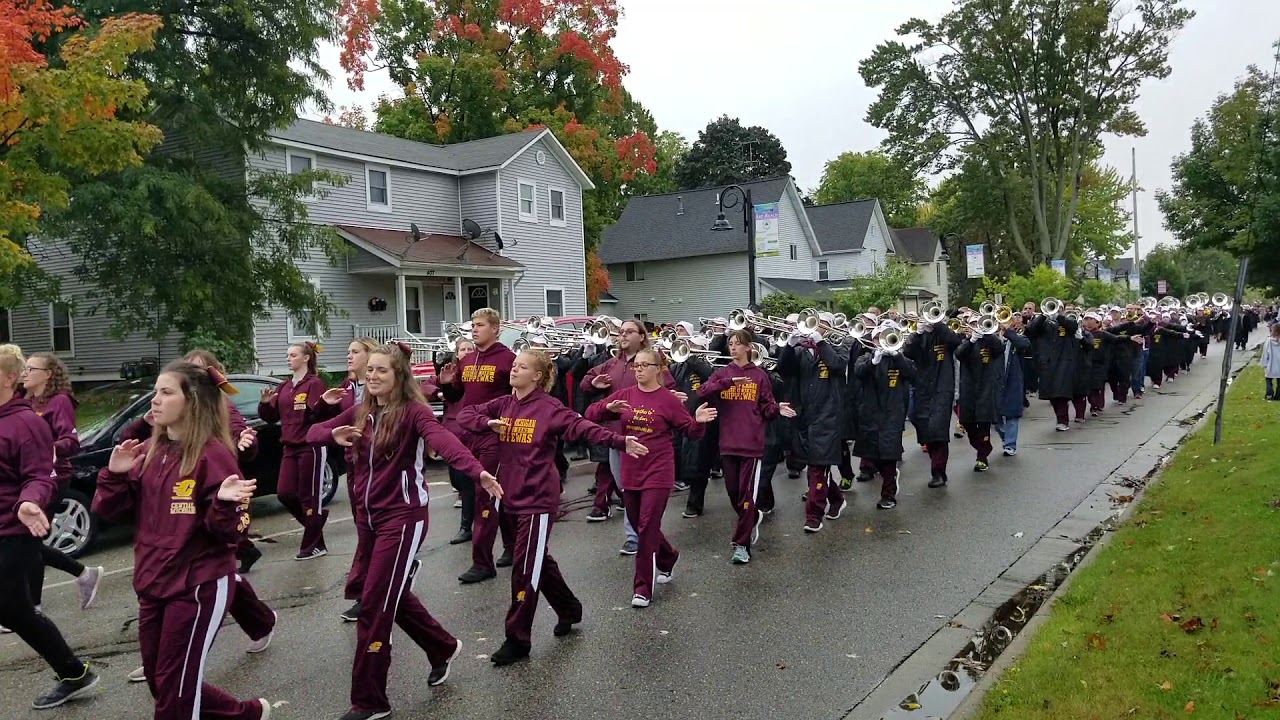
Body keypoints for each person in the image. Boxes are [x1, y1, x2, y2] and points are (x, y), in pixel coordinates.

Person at [308, 343, 498, 720]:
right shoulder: (362, 411)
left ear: (399, 376)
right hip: (370, 519)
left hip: (404, 518)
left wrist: (478, 471)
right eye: (370, 370)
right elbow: (312, 432)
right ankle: (441, 646)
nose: (373, 376)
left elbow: (446, 441)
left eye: (382, 370)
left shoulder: (414, 413)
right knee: (383, 591)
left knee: (374, 607)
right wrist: (335, 436)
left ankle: (370, 701)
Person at [93, 362, 270, 720]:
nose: (154, 401)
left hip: (197, 585)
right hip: (153, 582)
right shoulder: (148, 451)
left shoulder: (214, 455)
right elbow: (112, 512)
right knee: (162, 683)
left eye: (165, 392)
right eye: (156, 392)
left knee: (175, 697)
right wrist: (115, 475)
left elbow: (232, 534)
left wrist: (224, 503)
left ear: (191, 401)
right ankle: (246, 714)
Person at [459, 350, 646, 663]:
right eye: (514, 365)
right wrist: (486, 422)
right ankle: (569, 608)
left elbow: (585, 428)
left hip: (538, 498)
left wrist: (620, 442)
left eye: (522, 367)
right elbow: (466, 416)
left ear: (537, 376)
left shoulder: (550, 408)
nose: (514, 369)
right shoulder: (504, 404)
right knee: (536, 562)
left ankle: (517, 639)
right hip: (510, 494)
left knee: (524, 569)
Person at [0, 351, 101, 709]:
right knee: (13, 610)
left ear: (9, 378)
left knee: (13, 609)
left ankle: (73, 672)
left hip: (16, 526)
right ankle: (74, 672)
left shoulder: (26, 423)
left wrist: (29, 502)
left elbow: (41, 475)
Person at [588, 348, 714, 601]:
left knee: (647, 526)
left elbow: (689, 430)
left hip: (658, 469)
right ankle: (668, 555)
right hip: (631, 469)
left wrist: (699, 421)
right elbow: (589, 415)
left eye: (646, 365)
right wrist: (606, 408)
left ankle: (642, 588)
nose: (640, 369)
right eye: (637, 366)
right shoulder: (625, 395)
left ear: (658, 369)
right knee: (637, 523)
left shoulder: (667, 399)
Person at [580, 318, 680, 555]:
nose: (622, 335)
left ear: (641, 337)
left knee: (647, 492)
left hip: (648, 436)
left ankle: (641, 536)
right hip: (617, 436)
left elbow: (669, 387)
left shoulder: (653, 362)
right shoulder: (610, 365)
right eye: (621, 332)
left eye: (628, 332)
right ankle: (636, 535)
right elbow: (584, 383)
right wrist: (593, 383)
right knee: (627, 488)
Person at [695, 331, 794, 563]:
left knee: (747, 496)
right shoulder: (722, 373)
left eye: (738, 344)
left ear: (749, 347)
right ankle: (750, 519)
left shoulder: (759, 376)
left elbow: (767, 408)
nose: (733, 348)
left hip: (751, 445)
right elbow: (702, 392)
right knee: (734, 495)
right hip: (727, 444)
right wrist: (726, 383)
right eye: (730, 344)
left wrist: (777, 409)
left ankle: (741, 545)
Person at [19, 352, 104, 612]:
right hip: (32, 478)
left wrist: (41, 447)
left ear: (48, 374)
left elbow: (70, 442)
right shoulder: (27, 401)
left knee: (28, 540)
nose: (25, 373)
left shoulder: (59, 401)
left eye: (31, 369)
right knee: (27, 541)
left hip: (55, 478)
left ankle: (32, 605)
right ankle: (84, 574)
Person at [445, 308, 518, 584]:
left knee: (484, 496)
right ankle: (511, 547)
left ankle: (482, 562)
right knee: (497, 493)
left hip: (495, 436)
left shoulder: (508, 359)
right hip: (470, 433)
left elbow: (516, 396)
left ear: (495, 328)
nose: (474, 330)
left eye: (480, 325)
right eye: (472, 325)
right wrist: (446, 385)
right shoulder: (467, 360)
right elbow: (458, 395)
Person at [319, 337, 380, 623]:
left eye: (355, 351)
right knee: (363, 528)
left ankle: (365, 593)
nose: (349, 356)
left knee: (372, 531)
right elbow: (323, 427)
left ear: (370, 356)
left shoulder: (382, 388)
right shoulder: (346, 388)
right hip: (353, 462)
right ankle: (377, 586)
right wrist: (324, 405)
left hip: (378, 467)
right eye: (347, 352)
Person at [257, 341, 330, 559]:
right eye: (287, 355)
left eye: (293, 355)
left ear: (306, 358)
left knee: (309, 497)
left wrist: (320, 406)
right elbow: (270, 417)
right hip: (289, 446)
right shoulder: (285, 387)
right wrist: (264, 403)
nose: (288, 359)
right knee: (285, 493)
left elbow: (322, 415)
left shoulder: (314, 384)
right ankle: (316, 524)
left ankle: (312, 545)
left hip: (310, 446)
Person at [777, 314, 849, 531]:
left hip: (828, 416)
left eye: (818, 325)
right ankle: (836, 499)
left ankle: (814, 515)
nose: (812, 329)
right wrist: (789, 346)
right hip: (805, 415)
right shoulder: (800, 351)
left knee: (818, 467)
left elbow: (838, 366)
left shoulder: (839, 346)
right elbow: (784, 369)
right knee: (816, 465)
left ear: (827, 327)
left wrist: (820, 342)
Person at [852, 338, 916, 510]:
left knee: (888, 455)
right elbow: (858, 372)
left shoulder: (902, 360)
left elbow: (912, 374)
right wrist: (873, 362)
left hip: (892, 414)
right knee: (872, 454)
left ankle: (888, 495)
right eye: (878, 337)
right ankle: (891, 476)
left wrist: (897, 356)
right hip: (870, 414)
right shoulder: (865, 358)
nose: (882, 341)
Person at [428, 337, 478, 548]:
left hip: (473, 429)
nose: (465, 352)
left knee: (467, 479)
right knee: (457, 478)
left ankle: (467, 527)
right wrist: (439, 391)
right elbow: (426, 386)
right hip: (452, 431)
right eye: (462, 349)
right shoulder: (450, 371)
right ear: (456, 353)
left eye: (469, 348)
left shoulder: (478, 370)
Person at [904, 318, 963, 488]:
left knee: (938, 430)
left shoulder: (945, 335)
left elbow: (955, 342)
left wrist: (938, 325)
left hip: (942, 388)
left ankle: (938, 472)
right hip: (922, 388)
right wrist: (918, 332)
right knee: (921, 422)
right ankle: (935, 462)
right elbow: (907, 352)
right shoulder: (920, 337)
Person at [955, 328, 1005, 471]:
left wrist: (988, 334)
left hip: (986, 387)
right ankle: (984, 447)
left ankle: (982, 458)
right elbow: (959, 354)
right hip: (968, 388)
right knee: (967, 422)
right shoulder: (966, 342)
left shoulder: (990, 342)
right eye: (973, 324)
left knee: (984, 423)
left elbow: (1000, 348)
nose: (977, 327)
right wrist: (971, 341)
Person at [1025, 311, 1081, 431]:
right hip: (1046, 362)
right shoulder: (1042, 324)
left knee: (1061, 393)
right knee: (1052, 394)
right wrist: (1043, 316)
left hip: (1064, 362)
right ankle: (1060, 418)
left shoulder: (1065, 322)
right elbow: (1030, 330)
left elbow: (1073, 327)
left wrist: (1059, 317)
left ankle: (1063, 421)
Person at [995, 320, 1031, 456]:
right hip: (995, 381)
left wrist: (1009, 333)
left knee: (1012, 415)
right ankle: (1006, 436)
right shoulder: (991, 337)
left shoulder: (1019, 337)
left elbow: (1024, 345)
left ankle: (1010, 444)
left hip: (1012, 380)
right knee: (995, 417)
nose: (1001, 324)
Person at [1263, 323, 1280, 400]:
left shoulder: (1269, 341)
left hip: (1271, 363)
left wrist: (1264, 363)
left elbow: (1265, 352)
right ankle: (1278, 395)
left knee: (1268, 379)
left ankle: (1269, 394)